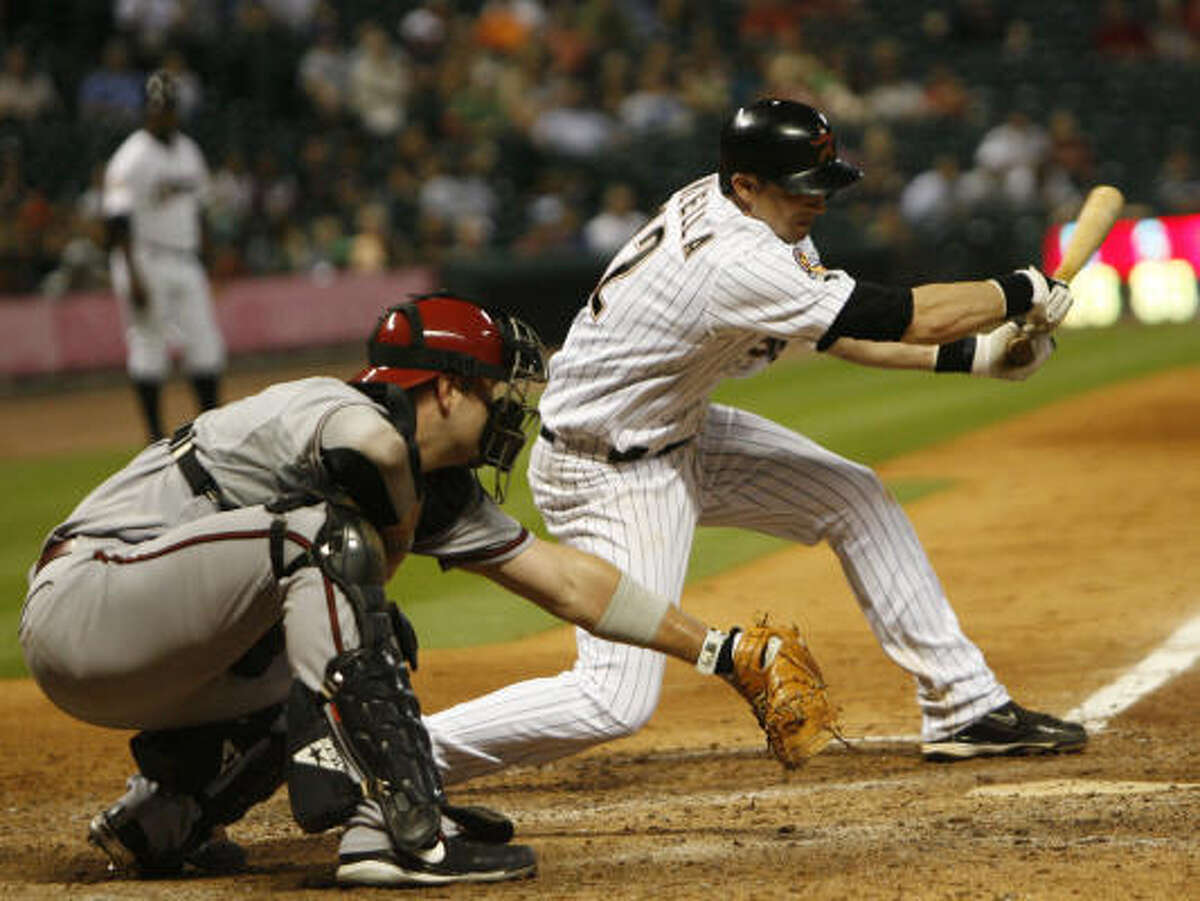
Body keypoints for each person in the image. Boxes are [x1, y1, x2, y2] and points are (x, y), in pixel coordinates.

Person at [422, 98, 1087, 788]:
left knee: (854, 494)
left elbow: (833, 329)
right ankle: (404, 752)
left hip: (676, 428)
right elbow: (907, 317)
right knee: (612, 699)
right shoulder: (731, 258)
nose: (819, 203)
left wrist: (977, 357)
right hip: (607, 473)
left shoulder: (754, 218)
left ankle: (964, 706)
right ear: (746, 185)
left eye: (823, 184)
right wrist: (1022, 288)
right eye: (804, 187)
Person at [19, 293, 774, 887]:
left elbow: (570, 582)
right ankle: (402, 827)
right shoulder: (335, 408)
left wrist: (715, 648)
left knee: (364, 620)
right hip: (88, 608)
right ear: (444, 389)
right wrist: (401, 529)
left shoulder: (428, 480)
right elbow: (371, 450)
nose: (509, 408)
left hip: (166, 653)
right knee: (330, 548)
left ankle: (164, 817)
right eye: (492, 390)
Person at [102, 69, 225, 443]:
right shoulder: (130, 157)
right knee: (148, 344)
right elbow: (117, 221)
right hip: (145, 258)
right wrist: (132, 274)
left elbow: (201, 207)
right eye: (158, 108)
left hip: (186, 259)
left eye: (169, 107)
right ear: (145, 111)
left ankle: (213, 431)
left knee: (206, 345)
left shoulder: (189, 150)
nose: (165, 114)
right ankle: (153, 434)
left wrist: (208, 253)